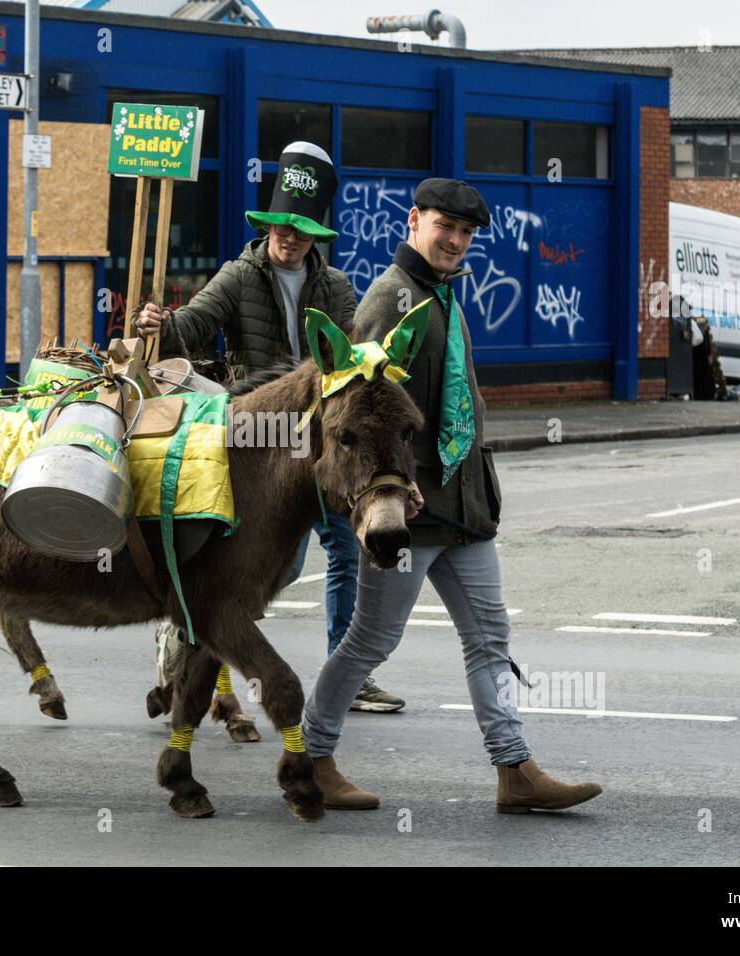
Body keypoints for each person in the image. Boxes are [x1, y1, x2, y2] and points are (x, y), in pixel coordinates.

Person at [301, 178, 604, 812]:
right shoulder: (391, 299)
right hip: (409, 516)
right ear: (415, 221)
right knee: (370, 641)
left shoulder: (443, 296)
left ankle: (514, 771)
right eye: (446, 227)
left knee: (491, 636)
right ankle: (311, 758)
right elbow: (364, 411)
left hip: (463, 512)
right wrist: (390, 490)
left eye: (466, 234)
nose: (457, 241)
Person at [135, 141, 404, 712]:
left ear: (315, 235)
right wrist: (161, 321)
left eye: (301, 229)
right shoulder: (240, 275)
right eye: (282, 226)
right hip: (255, 439)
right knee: (263, 562)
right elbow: (195, 325)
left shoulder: (334, 288)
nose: (289, 237)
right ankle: (193, 632)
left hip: (319, 440)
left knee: (346, 547)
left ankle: (346, 672)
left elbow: (352, 361)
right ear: (270, 225)